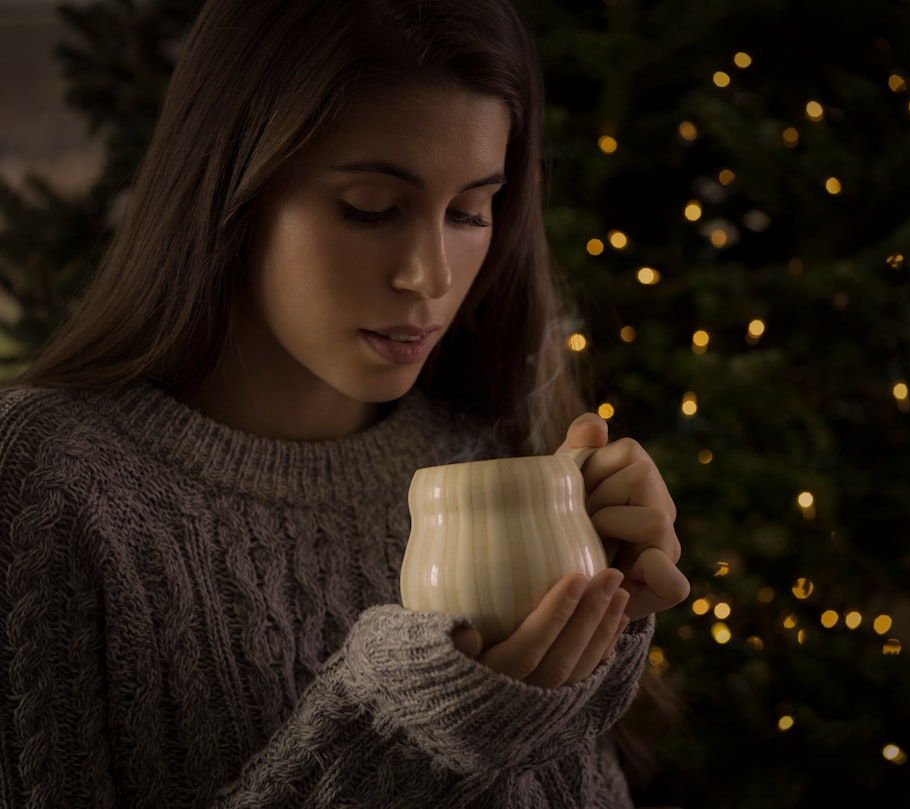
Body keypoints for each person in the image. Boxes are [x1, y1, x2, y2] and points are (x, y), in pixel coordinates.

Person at [0, 0, 690, 806]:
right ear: (231, 188)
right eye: (370, 208)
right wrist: (407, 735)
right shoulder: (46, 484)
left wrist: (592, 625)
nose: (429, 276)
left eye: (470, 211)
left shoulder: (490, 451)